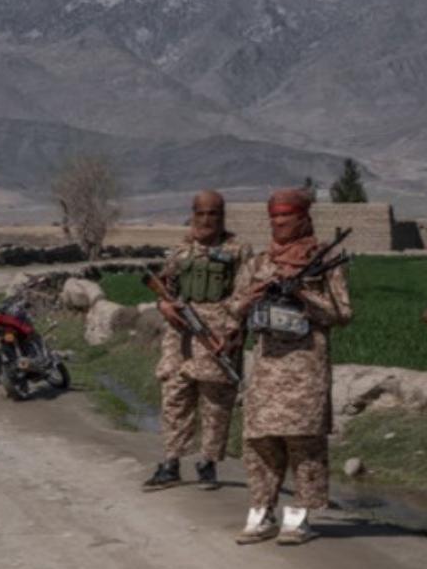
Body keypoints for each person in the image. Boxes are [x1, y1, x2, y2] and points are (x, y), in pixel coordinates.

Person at [226, 187, 353, 546]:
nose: (279, 225)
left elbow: (341, 313)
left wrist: (301, 294)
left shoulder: (325, 259)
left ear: (303, 218)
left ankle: (299, 515)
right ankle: (261, 510)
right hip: (266, 366)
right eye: (274, 219)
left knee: (304, 441)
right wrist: (250, 298)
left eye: (286, 218)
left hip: (306, 365)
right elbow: (232, 309)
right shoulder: (258, 262)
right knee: (259, 440)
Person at [143, 190, 251, 492]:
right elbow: (165, 287)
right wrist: (164, 307)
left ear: (222, 216)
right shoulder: (180, 251)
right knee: (174, 396)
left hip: (216, 334)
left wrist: (230, 331)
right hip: (180, 335)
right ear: (192, 214)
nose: (206, 220)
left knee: (215, 401)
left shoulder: (238, 250)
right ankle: (171, 462)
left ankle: (208, 462)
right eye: (200, 213)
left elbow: (245, 295)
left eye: (213, 214)